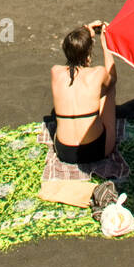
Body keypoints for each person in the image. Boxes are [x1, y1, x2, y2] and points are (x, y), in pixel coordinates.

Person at [51, 21, 116, 164]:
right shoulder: (98, 73)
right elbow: (113, 77)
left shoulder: (55, 72)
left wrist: (85, 30)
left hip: (63, 151)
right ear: (88, 53)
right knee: (109, 88)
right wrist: (106, 45)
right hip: (95, 151)